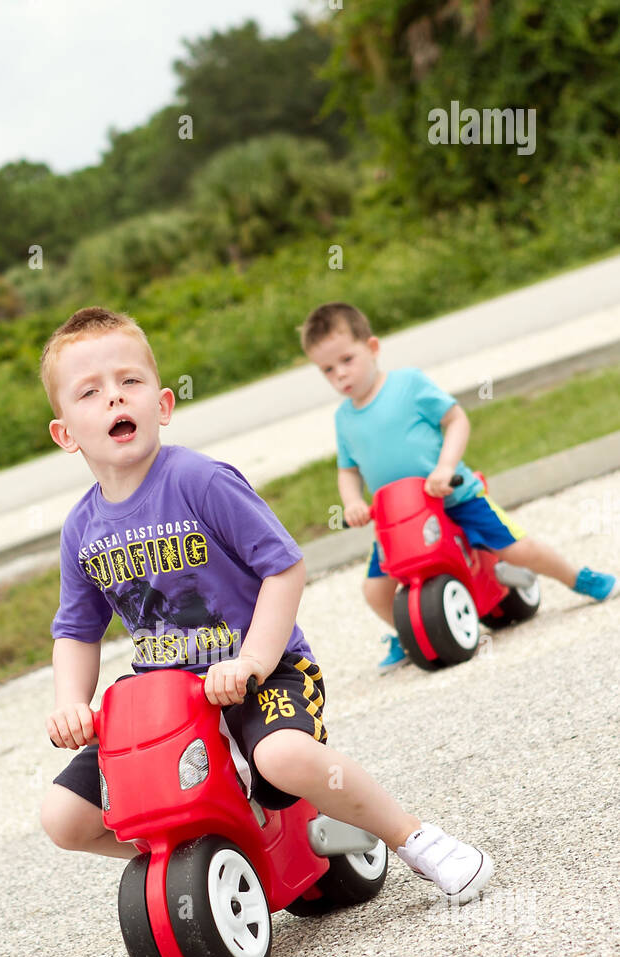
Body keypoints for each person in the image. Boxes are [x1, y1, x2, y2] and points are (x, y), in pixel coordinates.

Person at [39, 305, 493, 903]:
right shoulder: (81, 529)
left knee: (282, 755)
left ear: (163, 403)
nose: (115, 399)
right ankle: (225, 861)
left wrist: (252, 659)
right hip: (166, 700)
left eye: (130, 382)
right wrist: (72, 703)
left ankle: (414, 838)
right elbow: (77, 630)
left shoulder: (200, 481)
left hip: (263, 671)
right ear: (66, 433)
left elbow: (283, 567)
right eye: (90, 392)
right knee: (64, 817)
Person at [300, 302, 619, 673]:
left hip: (454, 497)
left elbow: (456, 420)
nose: (340, 375)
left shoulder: (409, 384)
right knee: (375, 590)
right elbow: (347, 470)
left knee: (518, 548)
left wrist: (445, 467)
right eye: (328, 370)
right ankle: (408, 635)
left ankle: (578, 577)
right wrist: (352, 501)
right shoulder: (344, 419)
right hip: (399, 516)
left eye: (347, 360)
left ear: (372, 348)